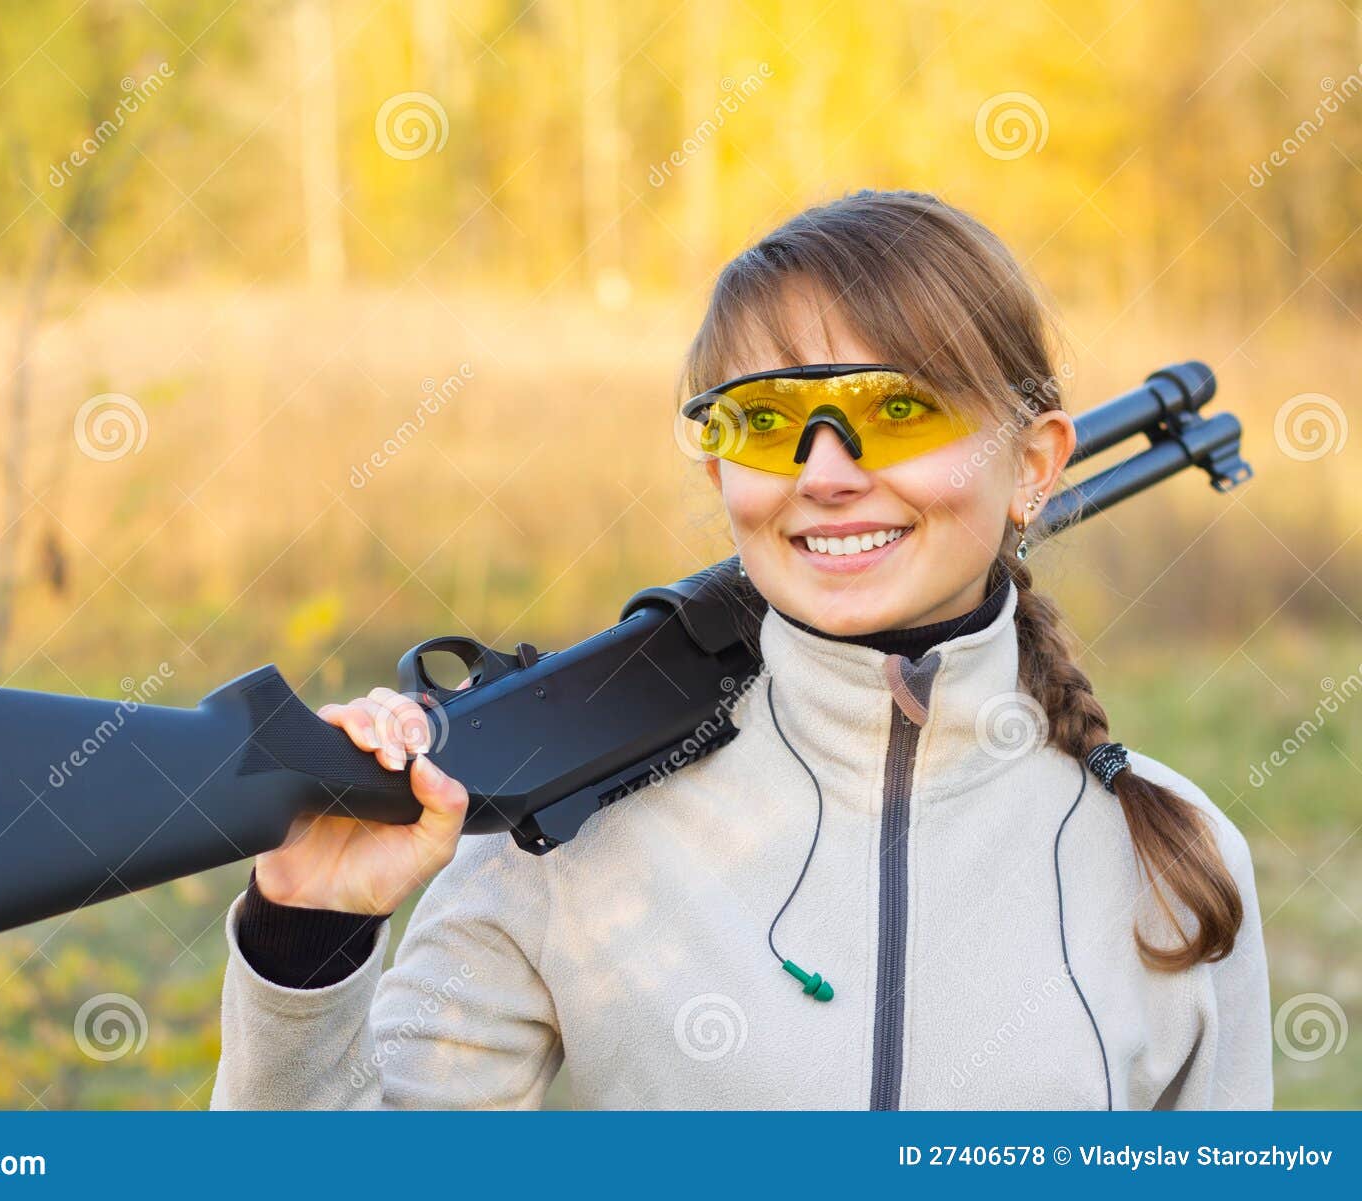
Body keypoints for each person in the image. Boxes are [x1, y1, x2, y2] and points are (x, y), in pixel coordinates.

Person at [209, 189, 1272, 1110]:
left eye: (898, 408)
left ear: (1035, 464)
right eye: (765, 420)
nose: (825, 473)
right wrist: (306, 938)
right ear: (720, 470)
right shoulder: (563, 828)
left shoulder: (1170, 858)